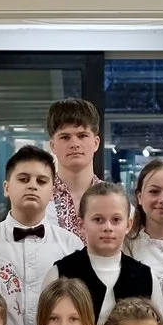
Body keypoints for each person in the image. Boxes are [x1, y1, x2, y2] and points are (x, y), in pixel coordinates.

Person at [0, 146, 84, 325]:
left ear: (52, 192)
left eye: (41, 181)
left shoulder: (72, 246)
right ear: (6, 187)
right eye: (23, 179)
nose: (32, 185)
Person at [48, 181, 155, 324]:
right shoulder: (59, 273)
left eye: (116, 220)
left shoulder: (146, 277)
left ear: (128, 225)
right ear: (81, 224)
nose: (107, 227)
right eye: (98, 219)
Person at [45, 97, 104, 238]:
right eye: (65, 137)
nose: (74, 144)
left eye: (82, 136)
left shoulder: (115, 200)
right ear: (53, 145)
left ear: (96, 143)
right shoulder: (39, 198)